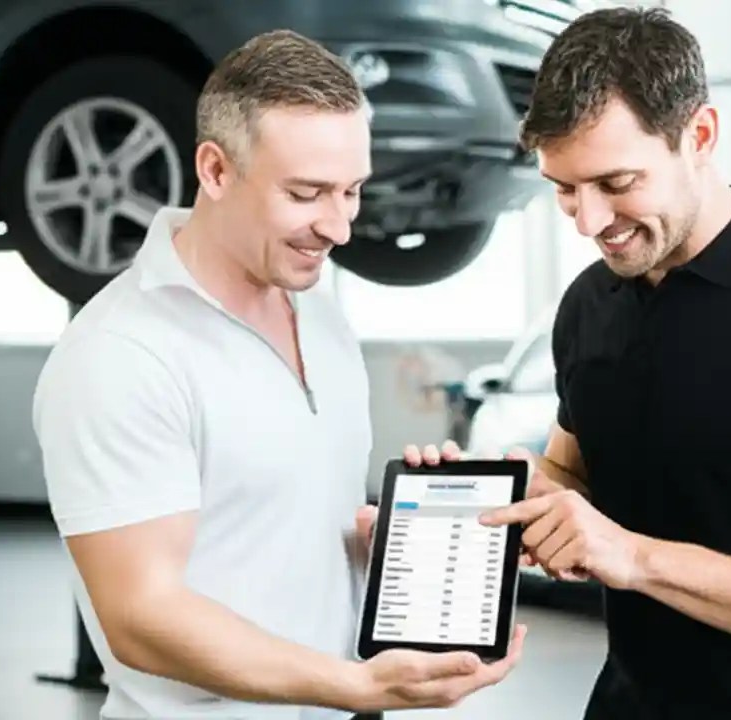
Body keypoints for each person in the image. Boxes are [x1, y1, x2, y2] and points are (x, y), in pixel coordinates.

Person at [407, 7, 731, 719]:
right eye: (564, 188)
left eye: (617, 181)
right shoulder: (590, 304)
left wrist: (636, 558)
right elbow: (575, 475)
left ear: (700, 136)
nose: (590, 221)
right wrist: (515, 490)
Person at [32, 29, 524, 720]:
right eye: (306, 193)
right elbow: (141, 616)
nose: (339, 228)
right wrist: (352, 685)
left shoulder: (320, 316)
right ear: (215, 171)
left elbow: (281, 530)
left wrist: (401, 549)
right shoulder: (120, 354)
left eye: (351, 191)